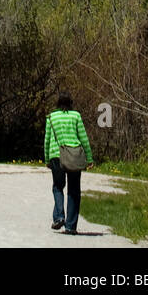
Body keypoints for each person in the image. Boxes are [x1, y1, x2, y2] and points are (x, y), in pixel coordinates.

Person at [44, 93, 93, 235]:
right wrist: (89, 158)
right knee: (74, 190)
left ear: (57, 103)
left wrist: (47, 159)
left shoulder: (51, 117)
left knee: (58, 187)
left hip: (56, 156)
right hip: (74, 157)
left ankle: (59, 216)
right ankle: (71, 226)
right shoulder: (76, 116)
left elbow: (47, 140)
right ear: (71, 102)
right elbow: (83, 137)